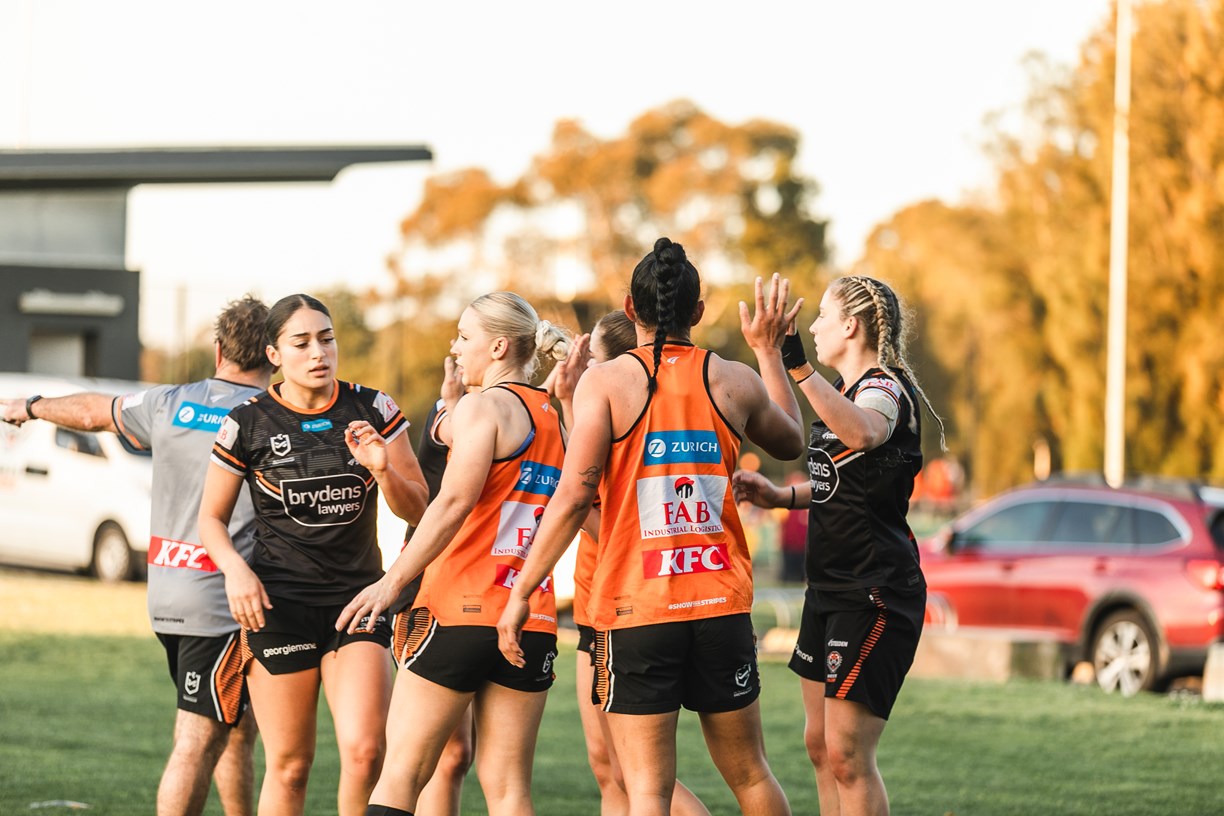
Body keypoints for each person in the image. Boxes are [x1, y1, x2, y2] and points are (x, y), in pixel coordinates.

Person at [498, 237, 805, 816]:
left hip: (637, 612)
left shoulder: (606, 382)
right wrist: (767, 351)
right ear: (698, 311)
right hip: (719, 605)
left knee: (646, 793)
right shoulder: (732, 378)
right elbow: (793, 438)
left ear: (629, 307)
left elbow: (573, 496)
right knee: (750, 774)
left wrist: (519, 593)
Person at [0, 295, 272, 816]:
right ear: (272, 352)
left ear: (218, 350)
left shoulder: (170, 403)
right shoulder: (268, 416)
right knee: (198, 740)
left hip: (167, 593)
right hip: (223, 604)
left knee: (237, 729)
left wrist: (30, 407)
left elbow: (92, 412)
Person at [335, 292, 572, 816]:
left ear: (499, 345)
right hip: (528, 618)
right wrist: (449, 407)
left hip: (456, 612)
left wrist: (391, 581)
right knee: (509, 790)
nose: (456, 346)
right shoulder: (552, 415)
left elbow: (454, 501)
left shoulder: (483, 408)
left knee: (402, 775)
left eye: (466, 337)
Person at [198, 293, 430, 816]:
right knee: (291, 766)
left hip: (357, 603)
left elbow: (419, 507)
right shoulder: (248, 421)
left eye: (326, 339)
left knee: (367, 752)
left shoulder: (372, 408)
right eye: (301, 343)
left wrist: (381, 468)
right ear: (274, 354)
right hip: (279, 608)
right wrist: (236, 571)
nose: (318, 352)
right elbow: (209, 518)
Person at [732, 275, 944, 816]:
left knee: (847, 755)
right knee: (820, 746)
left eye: (823, 316)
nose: (816, 326)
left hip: (875, 592)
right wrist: (782, 495)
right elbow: (836, 481)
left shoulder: (884, 388)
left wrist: (797, 363)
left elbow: (865, 435)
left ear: (851, 326)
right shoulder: (845, 394)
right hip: (827, 590)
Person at [548, 309, 710, 816]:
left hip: (624, 605)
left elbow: (608, 523)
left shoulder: (618, 426)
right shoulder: (589, 415)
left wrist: (572, 406)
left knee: (637, 774)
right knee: (607, 766)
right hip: (594, 602)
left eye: (594, 357)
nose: (585, 366)